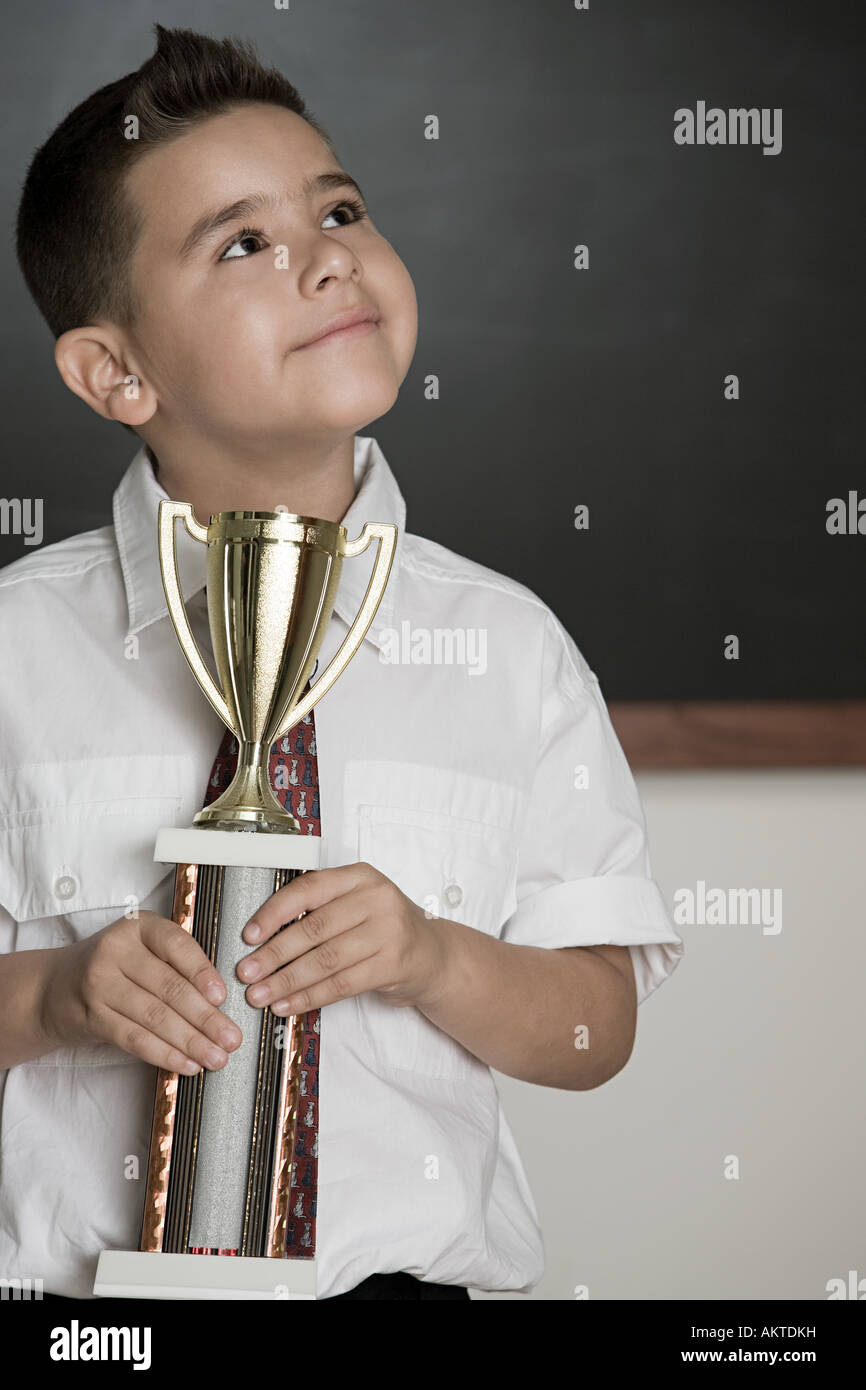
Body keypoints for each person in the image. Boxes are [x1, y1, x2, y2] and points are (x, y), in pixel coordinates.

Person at [0, 24, 684, 1302]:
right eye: (242, 242)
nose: (325, 257)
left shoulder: (505, 646)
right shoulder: (15, 649)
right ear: (115, 371)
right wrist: (54, 998)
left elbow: (597, 1031)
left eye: (341, 209)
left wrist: (432, 955)